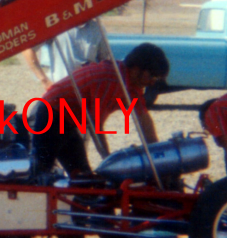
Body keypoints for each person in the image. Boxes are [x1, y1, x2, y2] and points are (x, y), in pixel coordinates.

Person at [27, 43, 169, 177]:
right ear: (137, 69)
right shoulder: (111, 78)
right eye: (152, 76)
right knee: (42, 170)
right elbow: (96, 125)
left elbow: (144, 119)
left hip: (69, 121)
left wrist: (158, 155)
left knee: (83, 175)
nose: (152, 82)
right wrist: (108, 159)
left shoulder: (131, 86)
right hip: (51, 114)